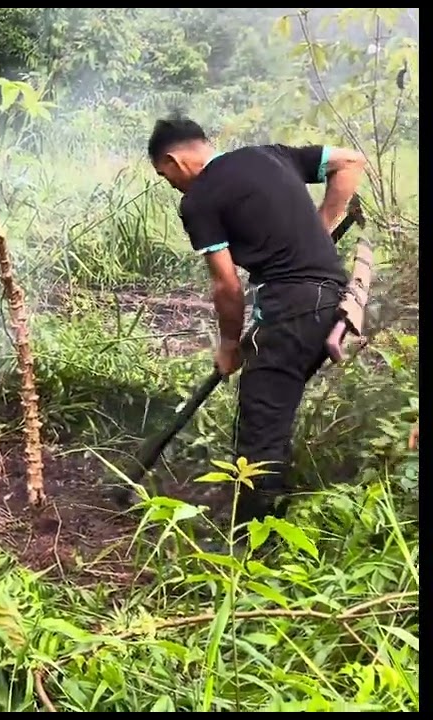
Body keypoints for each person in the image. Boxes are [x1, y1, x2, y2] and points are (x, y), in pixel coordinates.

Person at [146, 111, 366, 532]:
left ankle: (255, 546)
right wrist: (324, 227)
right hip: (327, 301)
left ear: (174, 162)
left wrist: (229, 345)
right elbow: (350, 161)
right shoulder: (272, 155)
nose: (170, 183)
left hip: (293, 308)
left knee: (260, 429)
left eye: (164, 175)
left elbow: (227, 287)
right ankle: (272, 521)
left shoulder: (199, 199)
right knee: (271, 415)